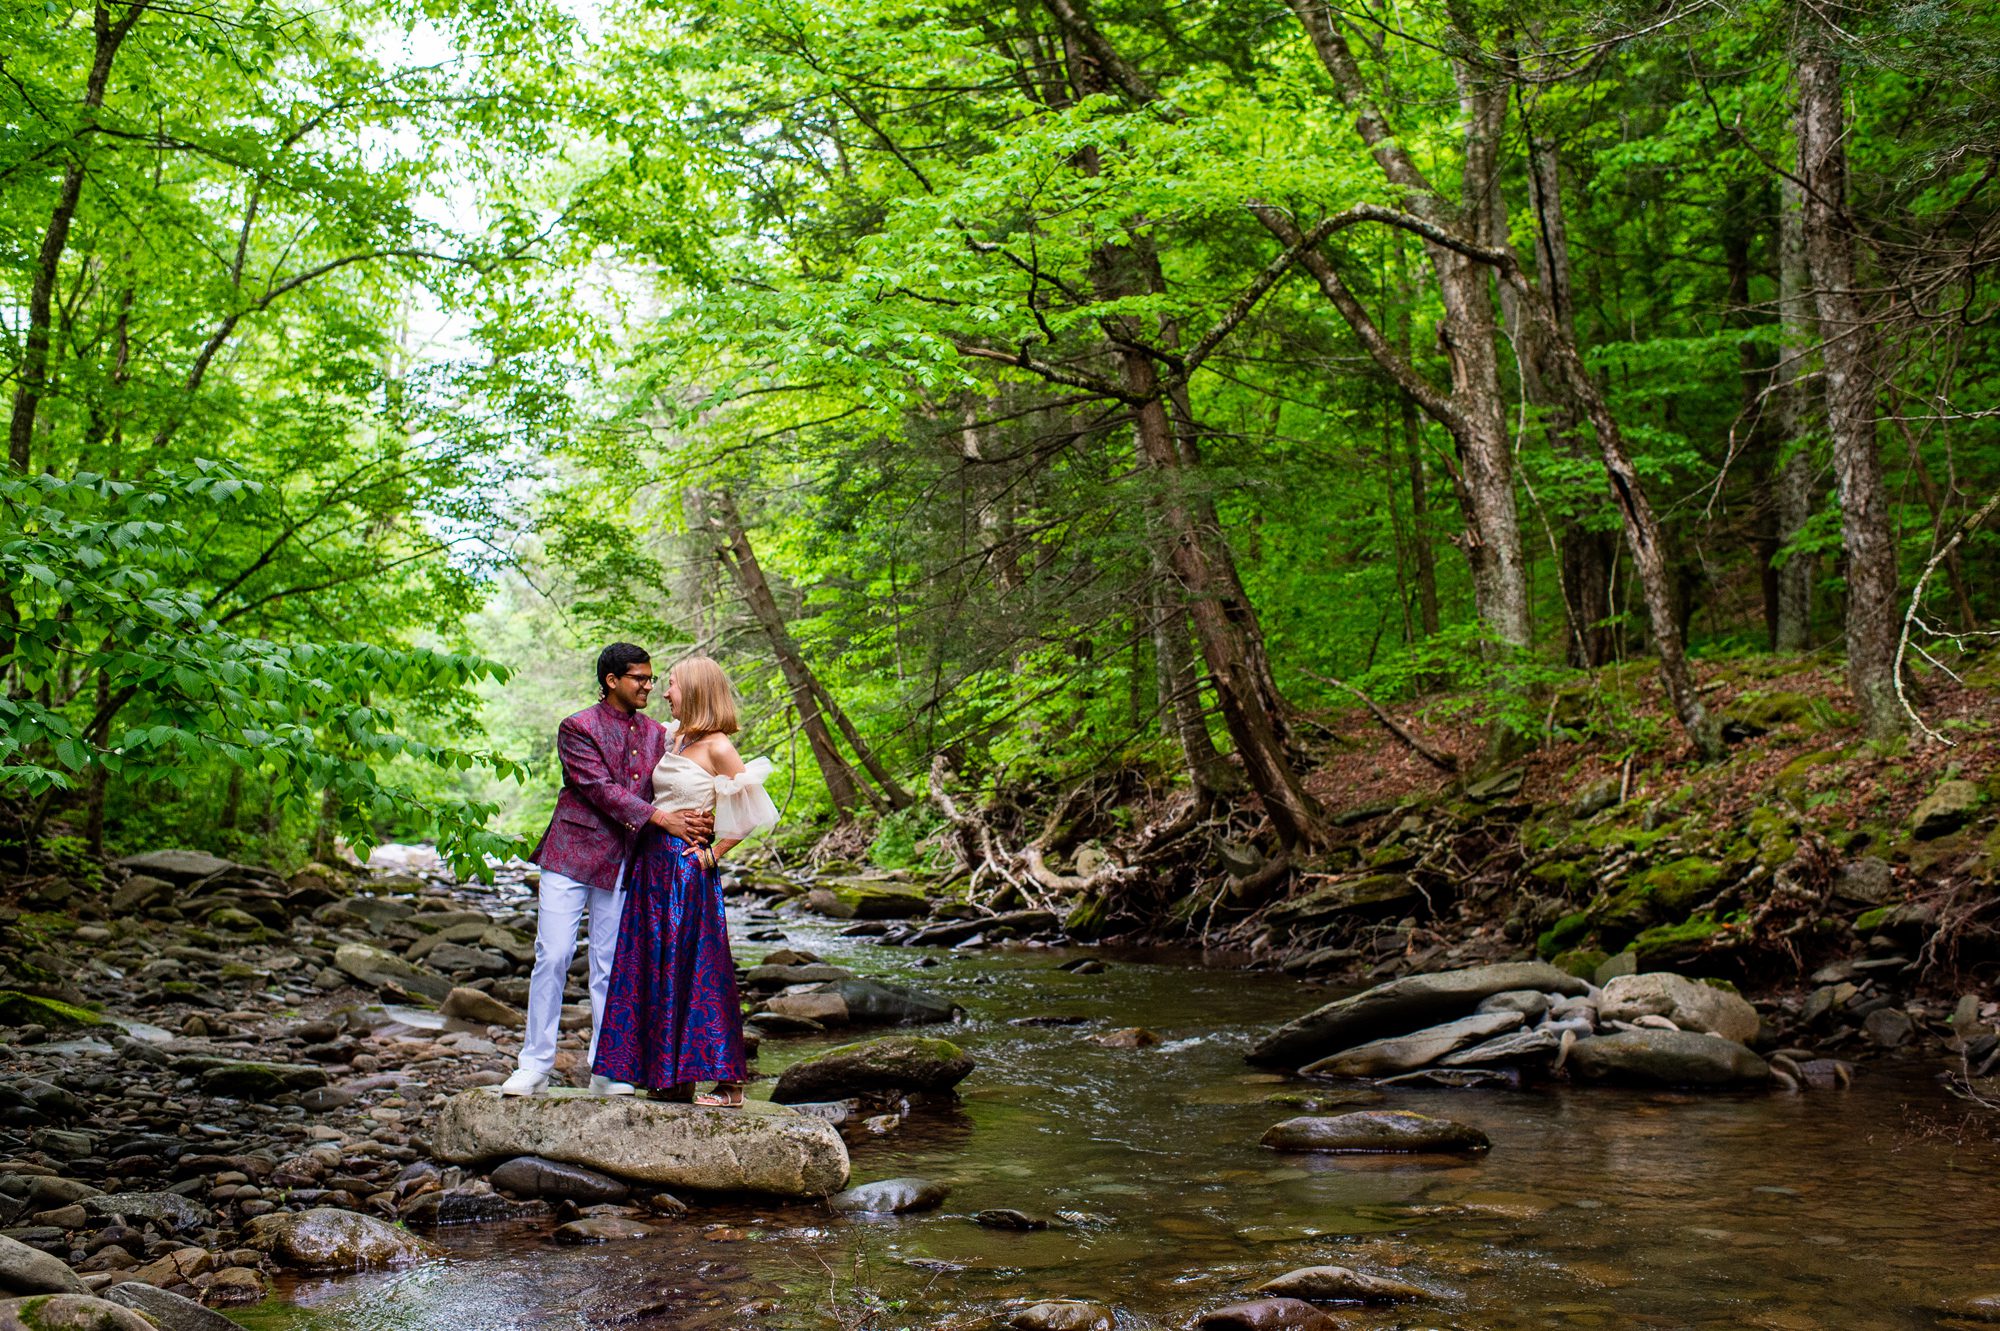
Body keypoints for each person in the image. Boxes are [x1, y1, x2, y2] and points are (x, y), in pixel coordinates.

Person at [500, 643, 714, 1096]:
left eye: (652, 678)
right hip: (570, 854)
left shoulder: (658, 734)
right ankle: (534, 1065)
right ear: (611, 681)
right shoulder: (577, 727)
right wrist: (662, 819)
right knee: (553, 955)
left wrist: (704, 815)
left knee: (610, 964)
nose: (649, 686)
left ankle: (607, 1068)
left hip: (626, 859)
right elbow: (597, 788)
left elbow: (681, 779)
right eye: (640, 678)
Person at [593, 654, 778, 1106]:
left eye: (671, 683)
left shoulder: (718, 746)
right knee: (653, 966)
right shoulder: (670, 737)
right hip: (650, 867)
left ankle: (729, 1084)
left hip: (686, 872)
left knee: (696, 967)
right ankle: (670, 1077)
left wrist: (713, 853)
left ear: (693, 690)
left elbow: (754, 811)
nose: (663, 691)